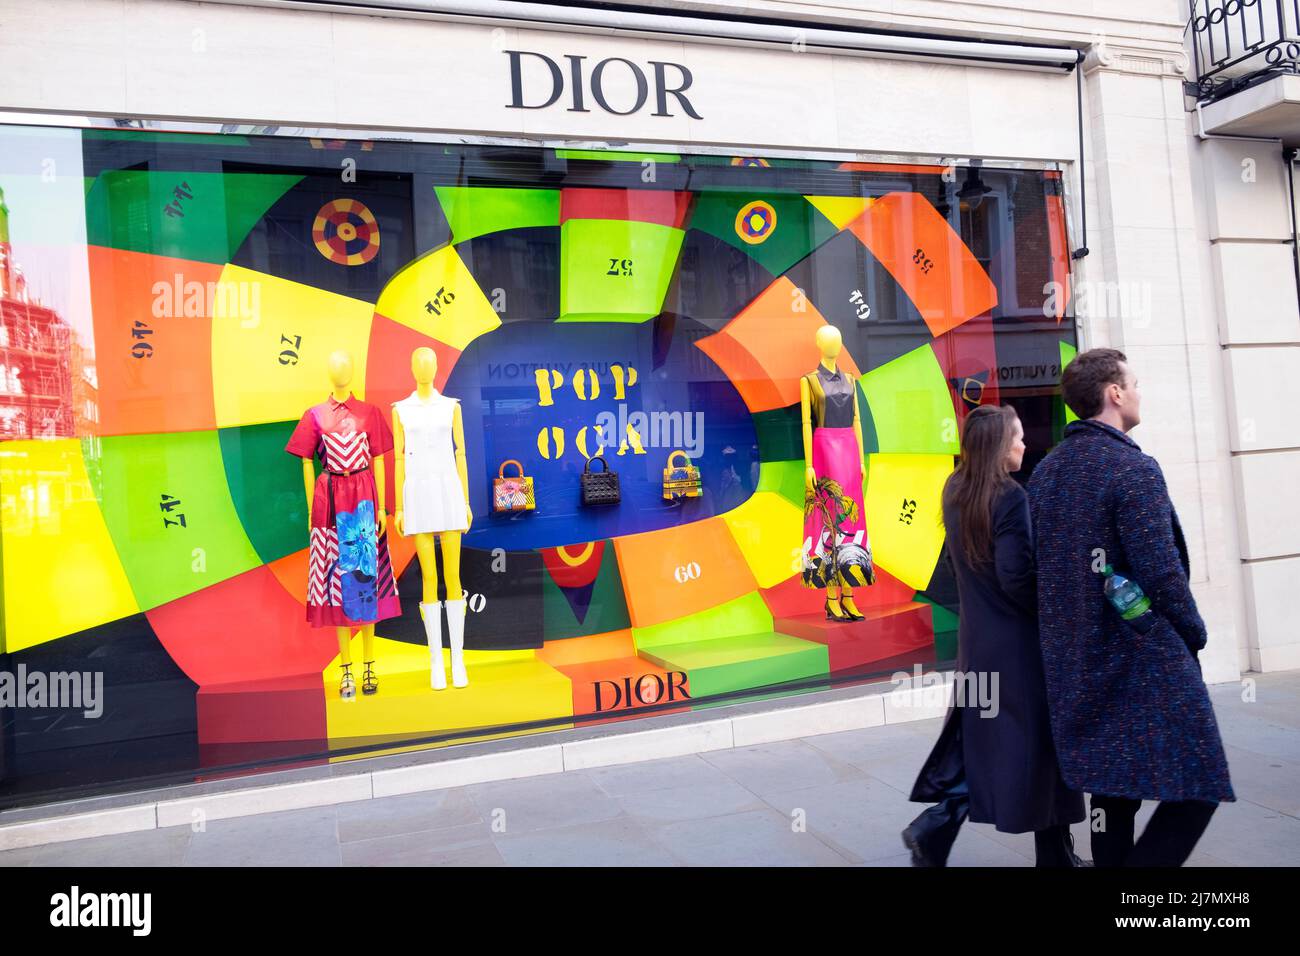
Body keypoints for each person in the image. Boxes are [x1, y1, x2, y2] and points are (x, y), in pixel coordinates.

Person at [1028, 348, 1233, 867]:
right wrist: (1192, 632)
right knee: (1200, 778)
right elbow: (1161, 572)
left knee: (1111, 789)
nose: (1139, 393)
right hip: (1141, 654)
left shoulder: (1047, 473)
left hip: (1078, 657)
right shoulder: (1132, 468)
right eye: (1134, 383)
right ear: (1114, 394)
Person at [904, 404, 1086, 867]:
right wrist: (1054, 615)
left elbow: (958, 565)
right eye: (1018, 437)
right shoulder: (1009, 497)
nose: (1025, 445)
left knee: (986, 744)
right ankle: (937, 826)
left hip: (977, 642)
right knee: (1034, 749)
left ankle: (942, 829)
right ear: (999, 447)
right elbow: (1016, 577)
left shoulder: (955, 488)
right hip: (1018, 648)